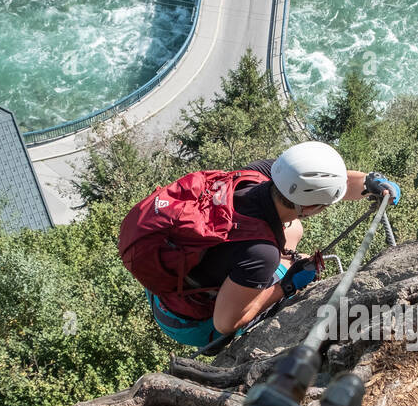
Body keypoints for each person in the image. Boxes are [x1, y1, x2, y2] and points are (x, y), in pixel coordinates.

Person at [139, 141, 400, 349]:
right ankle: (276, 277)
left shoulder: (258, 173)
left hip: (171, 281)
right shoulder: (260, 253)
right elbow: (225, 324)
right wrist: (287, 285)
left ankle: (259, 275)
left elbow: (327, 182)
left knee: (293, 230)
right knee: (288, 262)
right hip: (189, 322)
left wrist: (369, 183)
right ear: (311, 207)